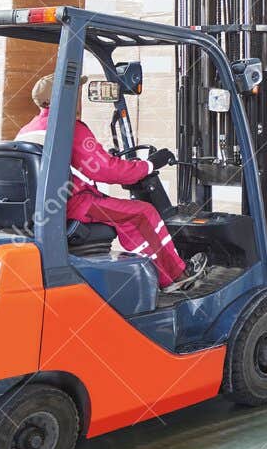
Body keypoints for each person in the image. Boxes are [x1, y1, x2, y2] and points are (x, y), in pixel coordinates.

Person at [17, 74, 197, 292]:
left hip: (46, 207)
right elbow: (106, 169)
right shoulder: (68, 126)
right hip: (75, 205)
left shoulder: (27, 129)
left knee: (125, 210)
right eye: (77, 93)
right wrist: (149, 165)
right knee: (143, 213)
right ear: (66, 97)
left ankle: (158, 273)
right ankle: (174, 277)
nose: (80, 98)